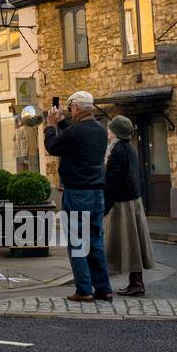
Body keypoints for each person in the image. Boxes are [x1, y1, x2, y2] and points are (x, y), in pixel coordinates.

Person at [44, 90, 112, 302]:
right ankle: (104, 288)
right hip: (97, 193)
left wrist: (50, 126)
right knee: (96, 242)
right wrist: (63, 122)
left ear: (75, 107)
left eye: (70, 107)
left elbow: (53, 146)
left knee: (77, 243)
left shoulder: (76, 132)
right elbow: (75, 136)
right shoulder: (99, 129)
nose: (69, 110)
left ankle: (84, 289)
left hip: (77, 192)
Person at [103, 115, 155, 296]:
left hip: (123, 202)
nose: (107, 131)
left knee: (130, 242)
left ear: (116, 132)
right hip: (132, 199)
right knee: (133, 242)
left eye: (110, 128)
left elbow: (114, 180)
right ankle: (135, 281)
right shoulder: (128, 148)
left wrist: (106, 204)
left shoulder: (118, 150)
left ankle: (136, 283)